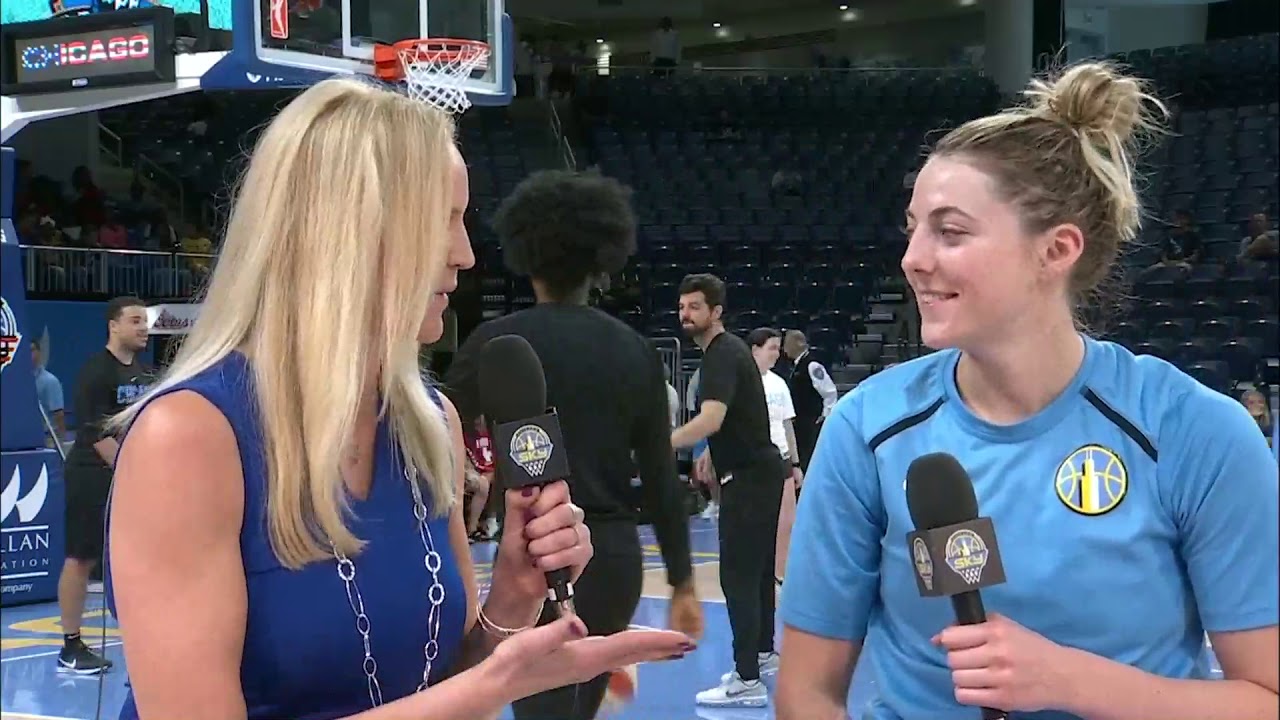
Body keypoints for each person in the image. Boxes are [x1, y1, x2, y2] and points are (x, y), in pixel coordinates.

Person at [104, 79, 693, 720]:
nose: (466, 254)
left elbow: (448, 676)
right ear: (349, 233)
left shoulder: (427, 423)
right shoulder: (190, 439)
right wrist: (491, 688)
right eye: (443, 219)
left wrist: (514, 600)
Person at [775, 62, 1279, 720]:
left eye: (950, 231)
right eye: (913, 227)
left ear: (1057, 250)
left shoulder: (1195, 433)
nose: (913, 257)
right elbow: (806, 693)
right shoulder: (869, 430)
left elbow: (1266, 699)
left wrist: (1072, 681)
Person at [443, 168, 703, 720]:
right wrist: (681, 579)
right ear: (602, 261)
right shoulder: (634, 350)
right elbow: (661, 478)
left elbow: (429, 430)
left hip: (535, 553)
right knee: (574, 707)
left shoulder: (494, 343)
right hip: (612, 558)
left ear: (526, 254)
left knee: (539, 709)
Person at [671, 274, 783, 709]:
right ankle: (762, 653)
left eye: (695, 307)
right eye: (682, 306)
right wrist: (711, 454)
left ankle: (747, 679)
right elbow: (733, 421)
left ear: (716, 312)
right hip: (760, 470)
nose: (686, 314)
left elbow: (713, 418)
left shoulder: (719, 355)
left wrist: (662, 442)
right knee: (756, 573)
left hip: (750, 478)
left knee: (737, 575)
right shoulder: (731, 351)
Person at [57, 294, 151, 675]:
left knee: (133, 558)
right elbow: (95, 432)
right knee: (82, 557)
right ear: (113, 326)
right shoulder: (95, 371)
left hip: (129, 474)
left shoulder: (144, 375)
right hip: (92, 475)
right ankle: (70, 645)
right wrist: (135, 471)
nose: (143, 327)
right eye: (134, 321)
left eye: (144, 321)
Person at [745, 327, 803, 586]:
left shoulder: (779, 383)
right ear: (755, 350)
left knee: (787, 520)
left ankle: (781, 573)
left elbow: (787, 425)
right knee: (759, 521)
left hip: (782, 457)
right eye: (771, 348)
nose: (777, 354)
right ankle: (759, 571)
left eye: (778, 349)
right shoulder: (744, 380)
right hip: (756, 460)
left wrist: (796, 463)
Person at [781, 330, 837, 473]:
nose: (784, 348)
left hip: (811, 421)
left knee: (810, 459)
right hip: (800, 422)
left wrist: (826, 415)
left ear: (797, 344)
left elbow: (829, 391)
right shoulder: (796, 365)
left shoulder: (812, 365)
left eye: (787, 344)